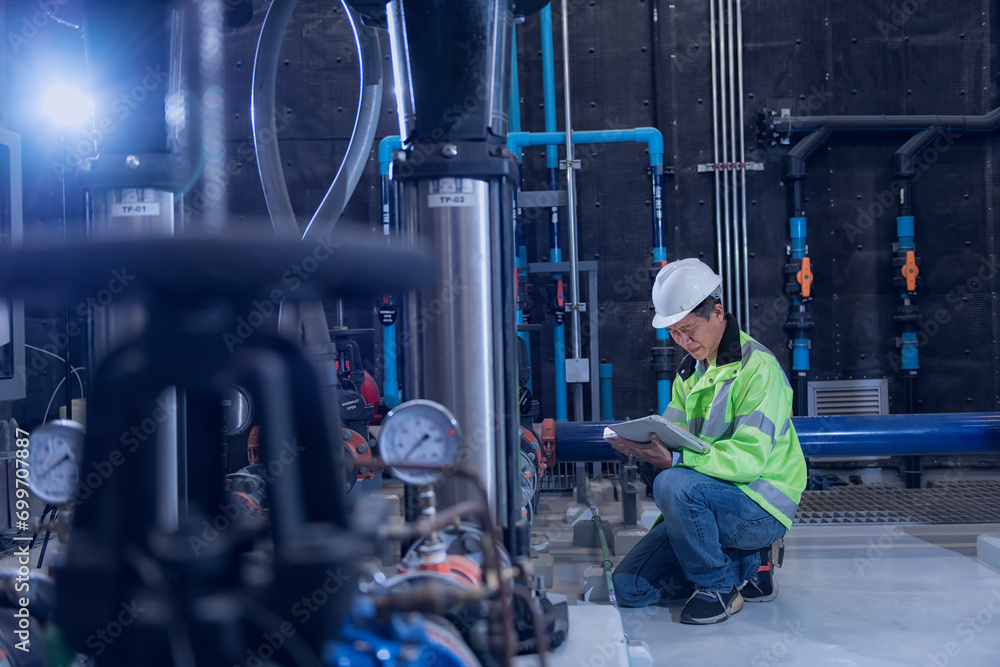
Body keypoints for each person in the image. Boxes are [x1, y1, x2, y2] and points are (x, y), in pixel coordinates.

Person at [607, 258, 806, 625]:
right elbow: (671, 434)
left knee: (674, 482)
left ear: (717, 312)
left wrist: (675, 463)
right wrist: (646, 450)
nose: (683, 341)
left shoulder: (758, 369)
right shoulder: (689, 374)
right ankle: (747, 567)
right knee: (627, 589)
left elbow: (748, 460)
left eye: (688, 329)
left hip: (759, 504)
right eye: (674, 333)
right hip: (710, 498)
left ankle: (719, 587)